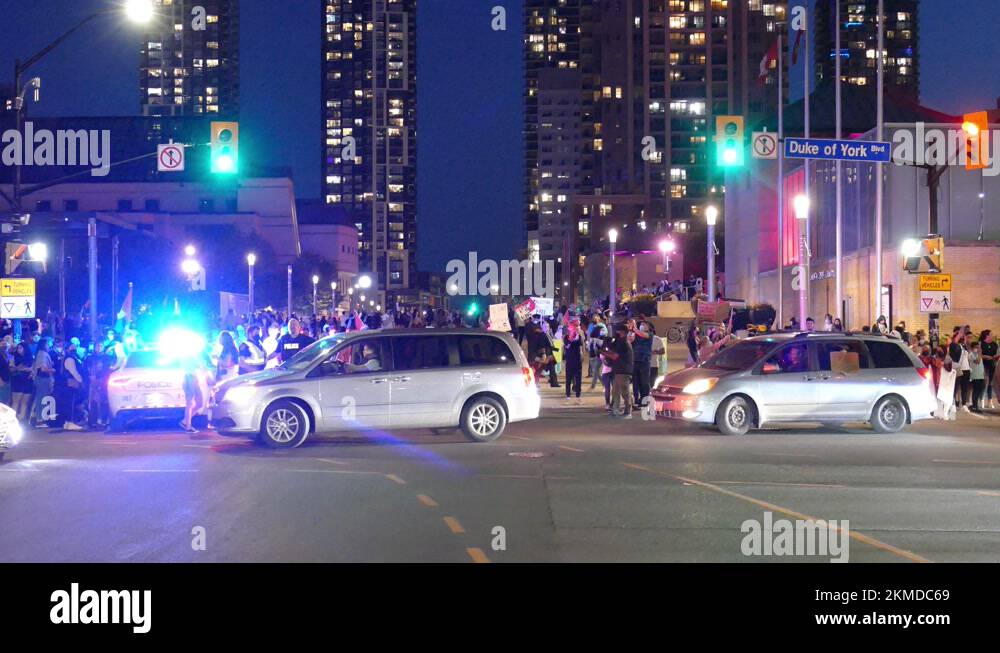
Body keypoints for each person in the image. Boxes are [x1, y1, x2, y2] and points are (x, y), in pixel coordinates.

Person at [602, 322, 634, 418]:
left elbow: (615, 356)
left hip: (623, 371)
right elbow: (613, 352)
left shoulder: (624, 343)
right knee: (615, 392)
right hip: (618, 370)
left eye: (618, 330)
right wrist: (605, 349)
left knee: (625, 392)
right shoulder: (620, 341)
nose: (616, 332)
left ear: (622, 332)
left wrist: (604, 353)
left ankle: (628, 411)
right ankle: (615, 410)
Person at [30, 338, 56, 428]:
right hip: (42, 379)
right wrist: (52, 370)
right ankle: (40, 420)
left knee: (40, 399)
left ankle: (38, 419)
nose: (49, 346)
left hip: (40, 379)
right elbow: (42, 368)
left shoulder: (40, 353)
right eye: (48, 344)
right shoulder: (43, 354)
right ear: (44, 345)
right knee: (41, 400)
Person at [61, 340, 85, 430]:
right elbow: (73, 371)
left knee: (71, 402)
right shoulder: (69, 359)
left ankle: (68, 423)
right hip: (71, 383)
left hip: (70, 383)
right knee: (72, 402)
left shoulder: (72, 357)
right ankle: (70, 422)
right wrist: (80, 380)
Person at [630, 318, 652, 406]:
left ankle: (645, 400)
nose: (642, 326)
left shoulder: (649, 334)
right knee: (636, 382)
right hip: (635, 360)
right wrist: (631, 330)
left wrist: (635, 328)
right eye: (641, 324)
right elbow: (630, 339)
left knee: (644, 382)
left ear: (648, 327)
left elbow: (644, 335)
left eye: (644, 325)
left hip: (644, 361)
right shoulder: (636, 334)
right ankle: (638, 400)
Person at [562, 317, 584, 403]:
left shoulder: (579, 337)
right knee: (568, 379)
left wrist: (578, 335)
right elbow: (567, 346)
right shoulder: (566, 337)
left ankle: (578, 396)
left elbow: (581, 346)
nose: (575, 329)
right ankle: (568, 396)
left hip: (577, 361)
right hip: (569, 361)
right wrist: (571, 338)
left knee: (578, 379)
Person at [10, 342, 33, 420]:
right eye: (18, 348)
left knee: (25, 402)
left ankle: (21, 419)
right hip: (18, 380)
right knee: (16, 401)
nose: (18, 349)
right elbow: (11, 369)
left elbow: (33, 368)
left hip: (28, 380)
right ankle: (12, 419)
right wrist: (20, 368)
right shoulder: (14, 357)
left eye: (20, 348)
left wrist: (30, 370)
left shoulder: (30, 358)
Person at [586, 315, 607, 388]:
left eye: (595, 319)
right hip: (593, 351)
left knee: (595, 370)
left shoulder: (601, 327)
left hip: (599, 352)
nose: (594, 320)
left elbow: (603, 339)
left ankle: (604, 384)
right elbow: (589, 337)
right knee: (595, 370)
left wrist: (594, 341)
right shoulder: (593, 327)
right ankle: (593, 385)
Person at [980, 330, 997, 409]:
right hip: (983, 366)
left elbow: (996, 354)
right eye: (991, 334)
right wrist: (986, 356)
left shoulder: (995, 344)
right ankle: (982, 399)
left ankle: (990, 400)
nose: (992, 335)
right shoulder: (981, 344)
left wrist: (996, 357)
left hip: (992, 365)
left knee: (991, 383)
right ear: (987, 336)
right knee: (984, 383)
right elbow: (979, 355)